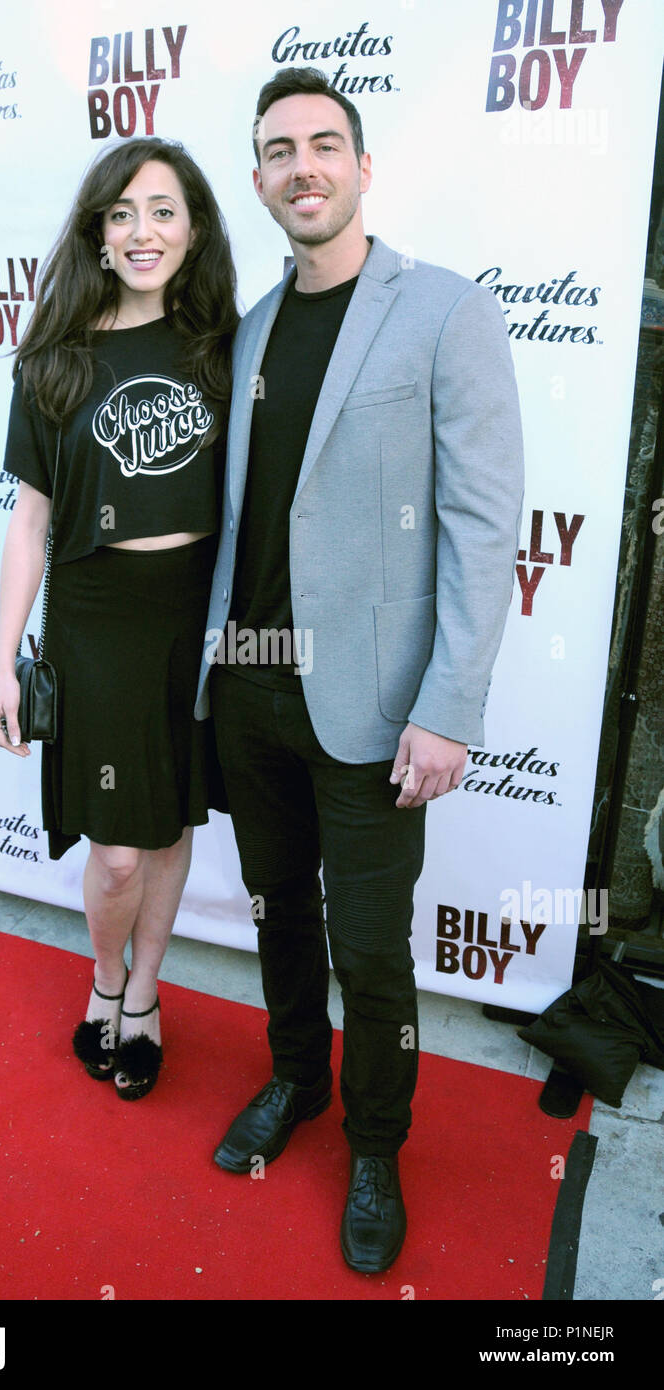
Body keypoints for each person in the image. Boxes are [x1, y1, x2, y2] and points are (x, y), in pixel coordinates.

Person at [195, 67, 524, 1273]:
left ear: (364, 165)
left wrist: (450, 708)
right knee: (279, 913)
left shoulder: (442, 310)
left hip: (380, 707)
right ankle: (298, 1083)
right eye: (279, 151)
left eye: (324, 144)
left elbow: (485, 529)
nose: (303, 168)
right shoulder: (251, 332)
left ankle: (377, 1146)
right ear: (260, 180)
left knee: (372, 950)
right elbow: (238, 520)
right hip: (256, 684)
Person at [0, 137, 237, 1100]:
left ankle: (145, 994)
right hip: (98, 620)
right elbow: (29, 522)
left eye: (164, 211)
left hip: (197, 619)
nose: (143, 231)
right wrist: (4, 662)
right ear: (97, 234)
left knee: (170, 820)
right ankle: (103, 980)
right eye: (123, 213)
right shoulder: (55, 360)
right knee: (118, 850)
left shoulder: (224, 350)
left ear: (194, 229)